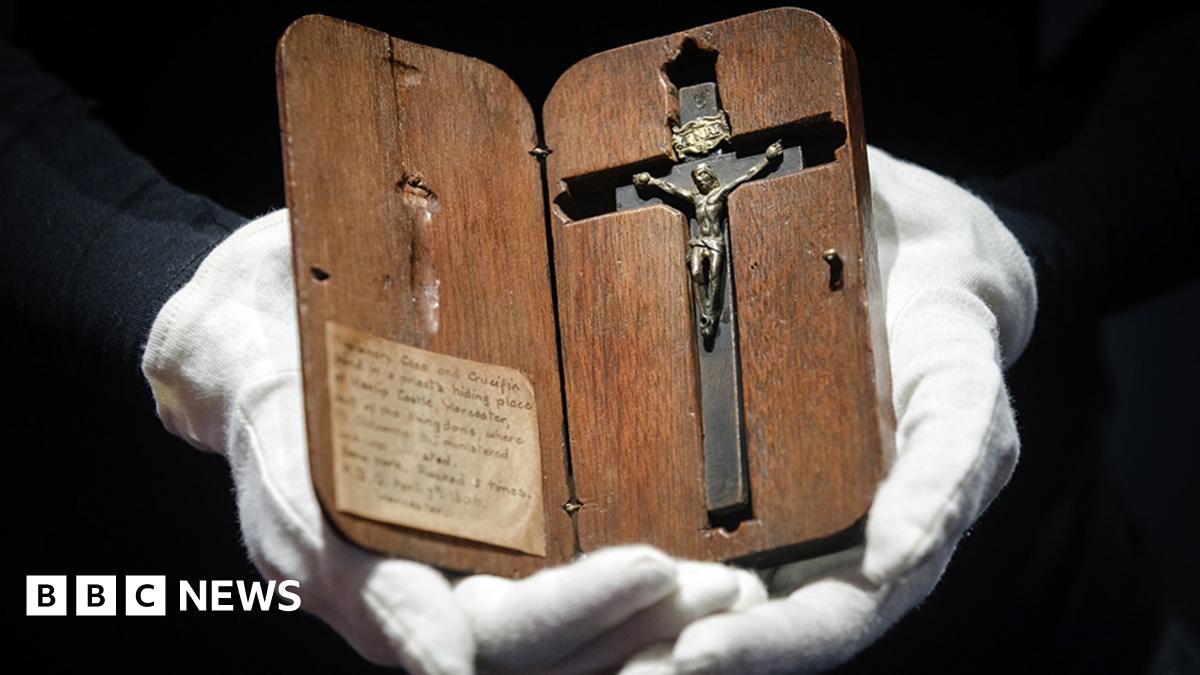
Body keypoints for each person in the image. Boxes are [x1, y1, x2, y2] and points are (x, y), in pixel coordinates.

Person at [6, 3, 1197, 672]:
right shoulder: (667, 180)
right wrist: (160, 278)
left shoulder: (725, 162)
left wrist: (1026, 240)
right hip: (213, 575)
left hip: (1007, 623)